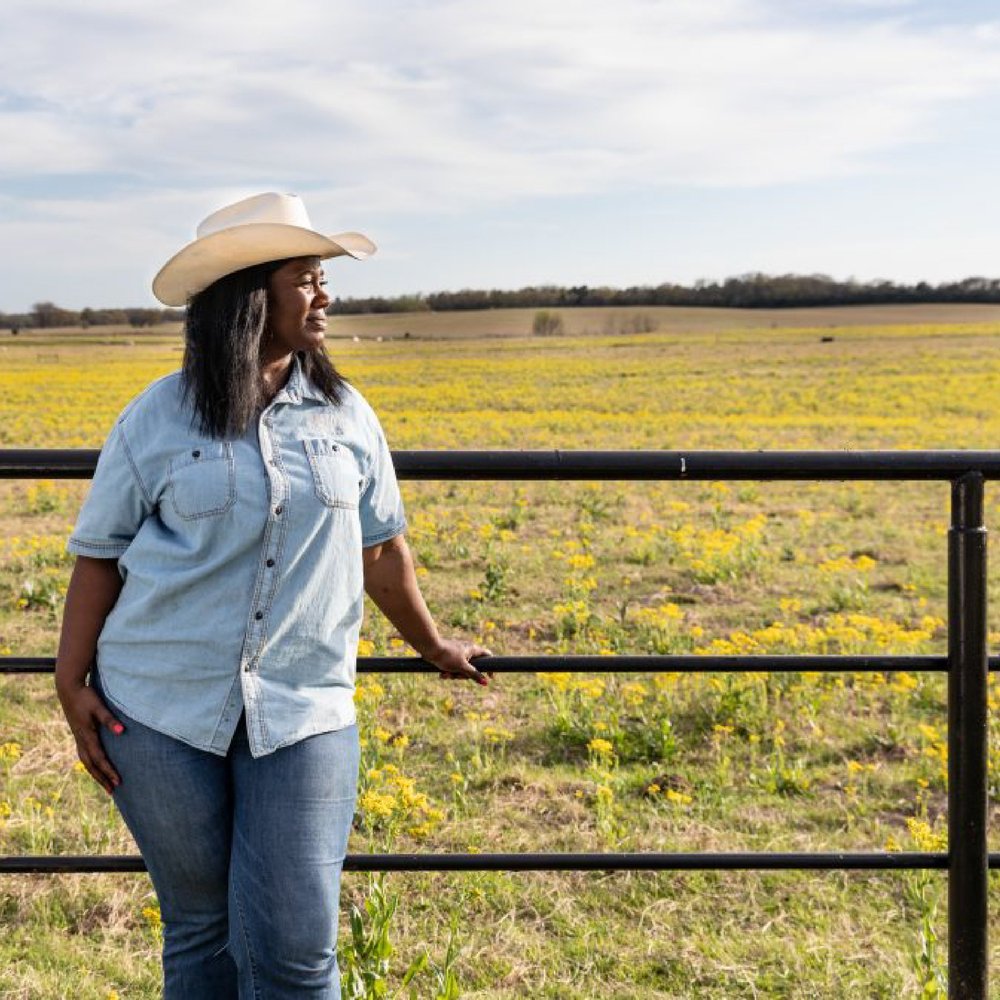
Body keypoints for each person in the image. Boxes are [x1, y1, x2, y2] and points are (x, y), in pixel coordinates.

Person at [54, 191, 492, 999]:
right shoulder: (155, 418)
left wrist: (435, 646)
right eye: (307, 278)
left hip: (304, 707)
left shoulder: (346, 414)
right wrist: (68, 682)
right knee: (201, 935)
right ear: (249, 295)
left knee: (297, 950)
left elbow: (383, 547)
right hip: (159, 710)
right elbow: (100, 558)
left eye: (324, 279)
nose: (325, 295)